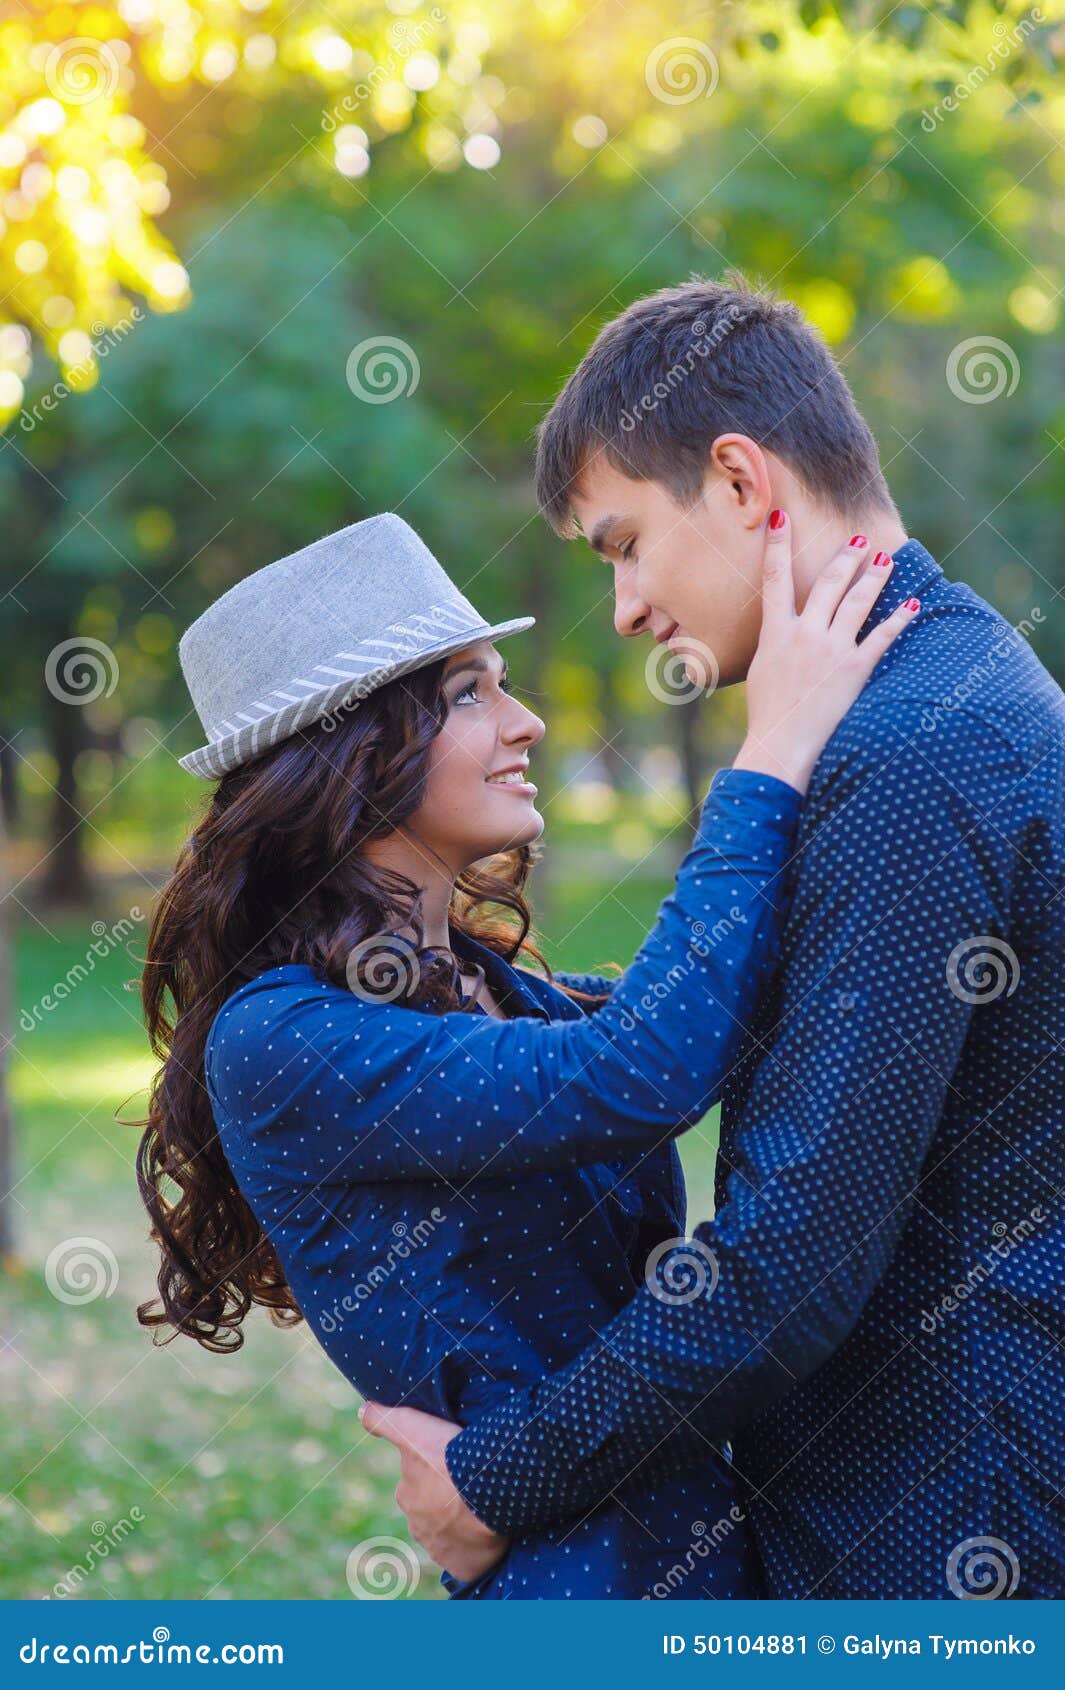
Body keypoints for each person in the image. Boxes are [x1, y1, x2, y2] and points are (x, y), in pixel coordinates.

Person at [361, 274, 1065, 1601]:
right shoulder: (922, 699)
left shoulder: (915, 753)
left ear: (740, 483)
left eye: (624, 541)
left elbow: (787, 1261)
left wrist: (496, 1476)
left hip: (942, 1529)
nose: (623, 605)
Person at [136, 506, 912, 1599]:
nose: (528, 721)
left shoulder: (501, 991)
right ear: (353, 756)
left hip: (710, 1564)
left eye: (502, 682)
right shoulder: (282, 1042)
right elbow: (642, 1069)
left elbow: (722, 1018)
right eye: (470, 693)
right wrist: (769, 756)